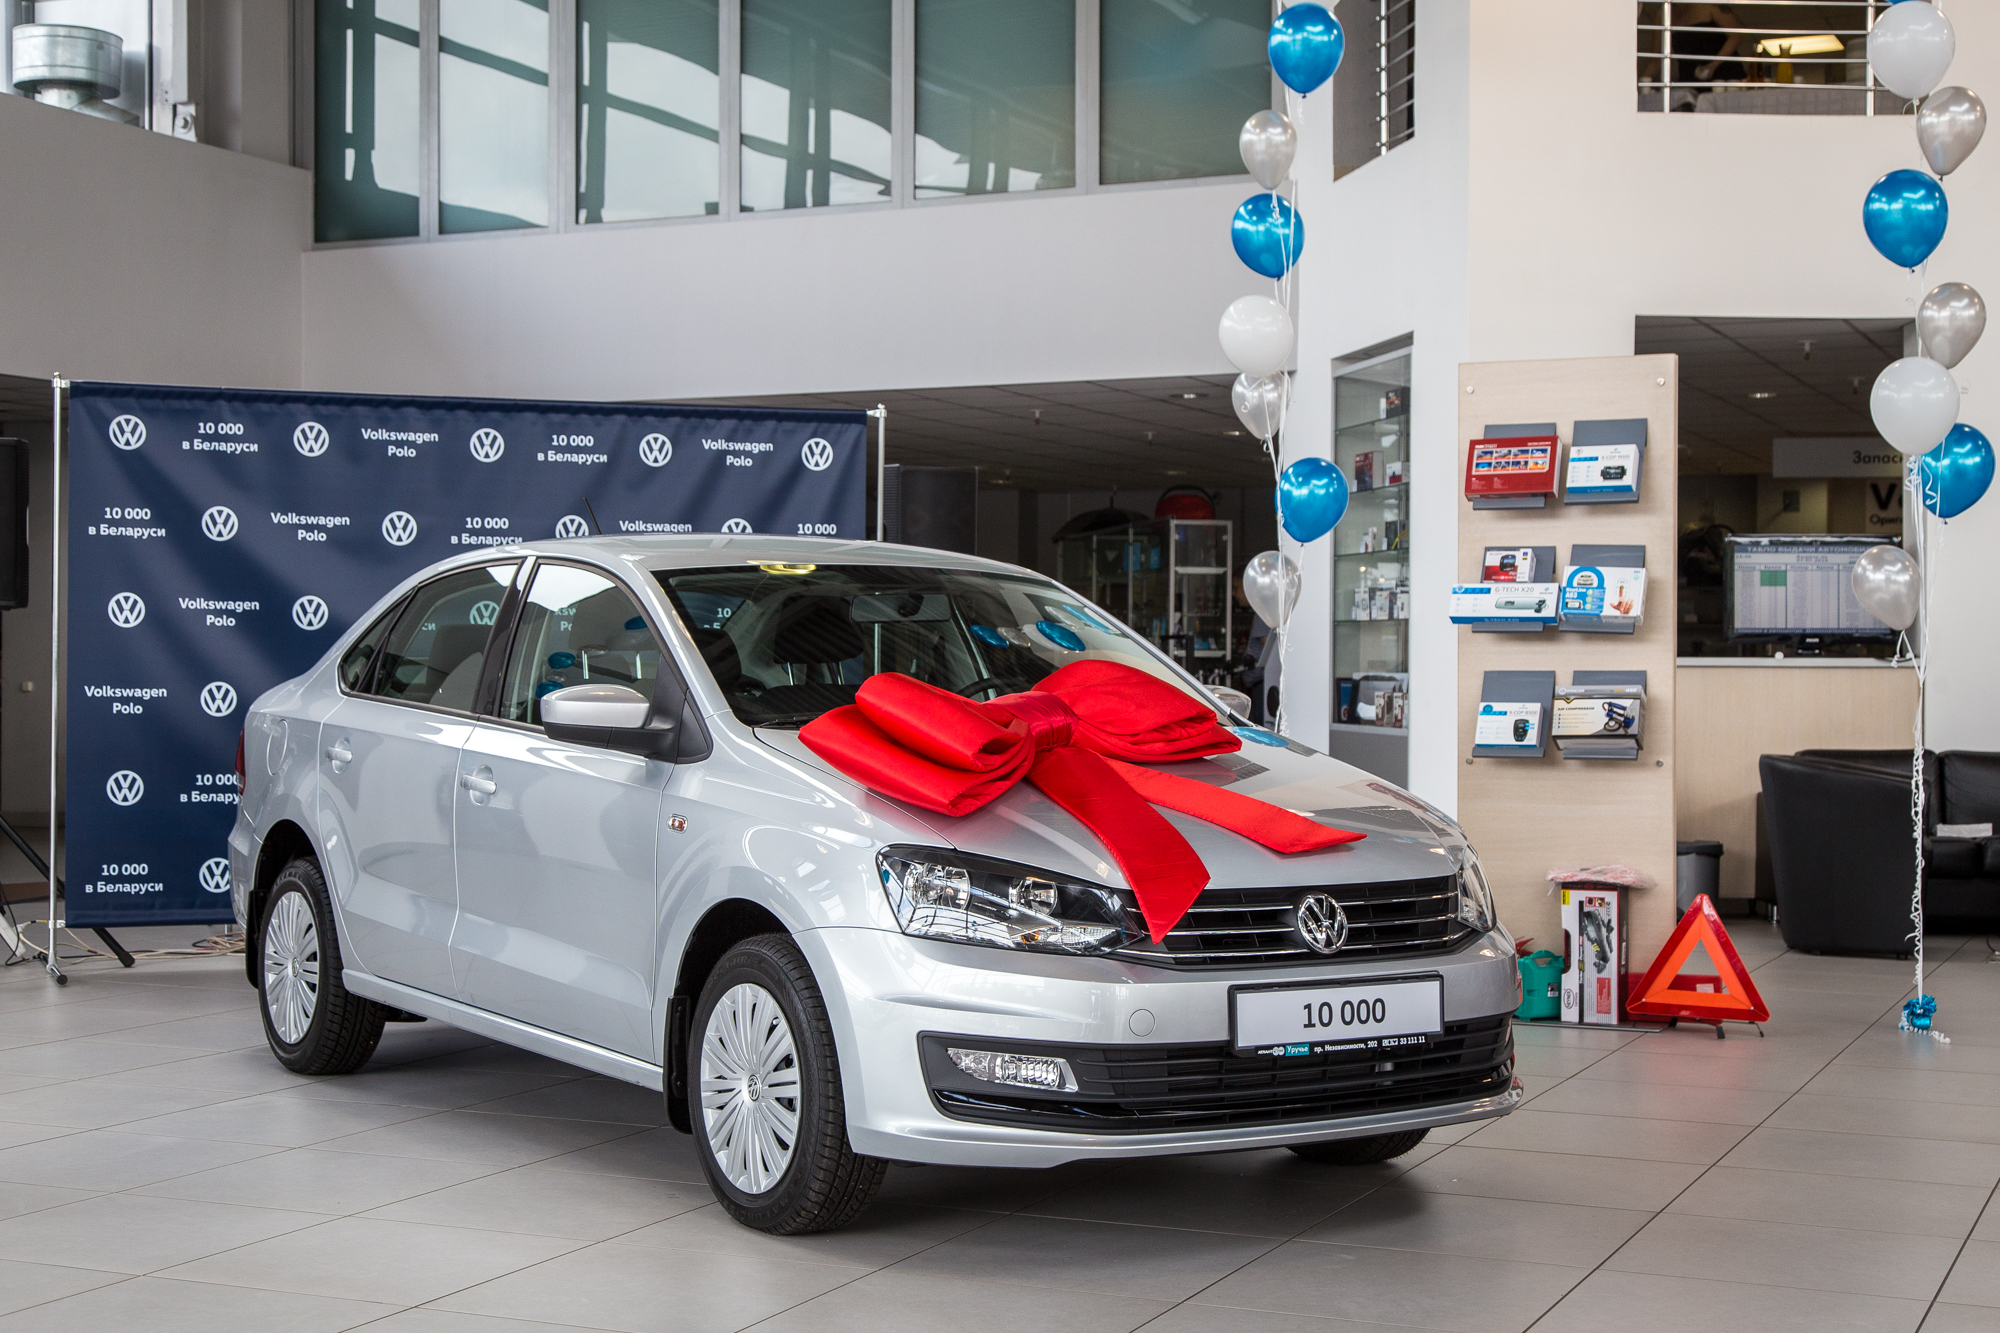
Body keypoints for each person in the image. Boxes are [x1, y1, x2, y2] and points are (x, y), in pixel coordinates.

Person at [1670, 4, 1746, 108]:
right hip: (1690, 82)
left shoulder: (1710, 4)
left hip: (1723, 78)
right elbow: (1656, 59)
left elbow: (1735, 37)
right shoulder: (1665, 13)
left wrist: (1713, 65)